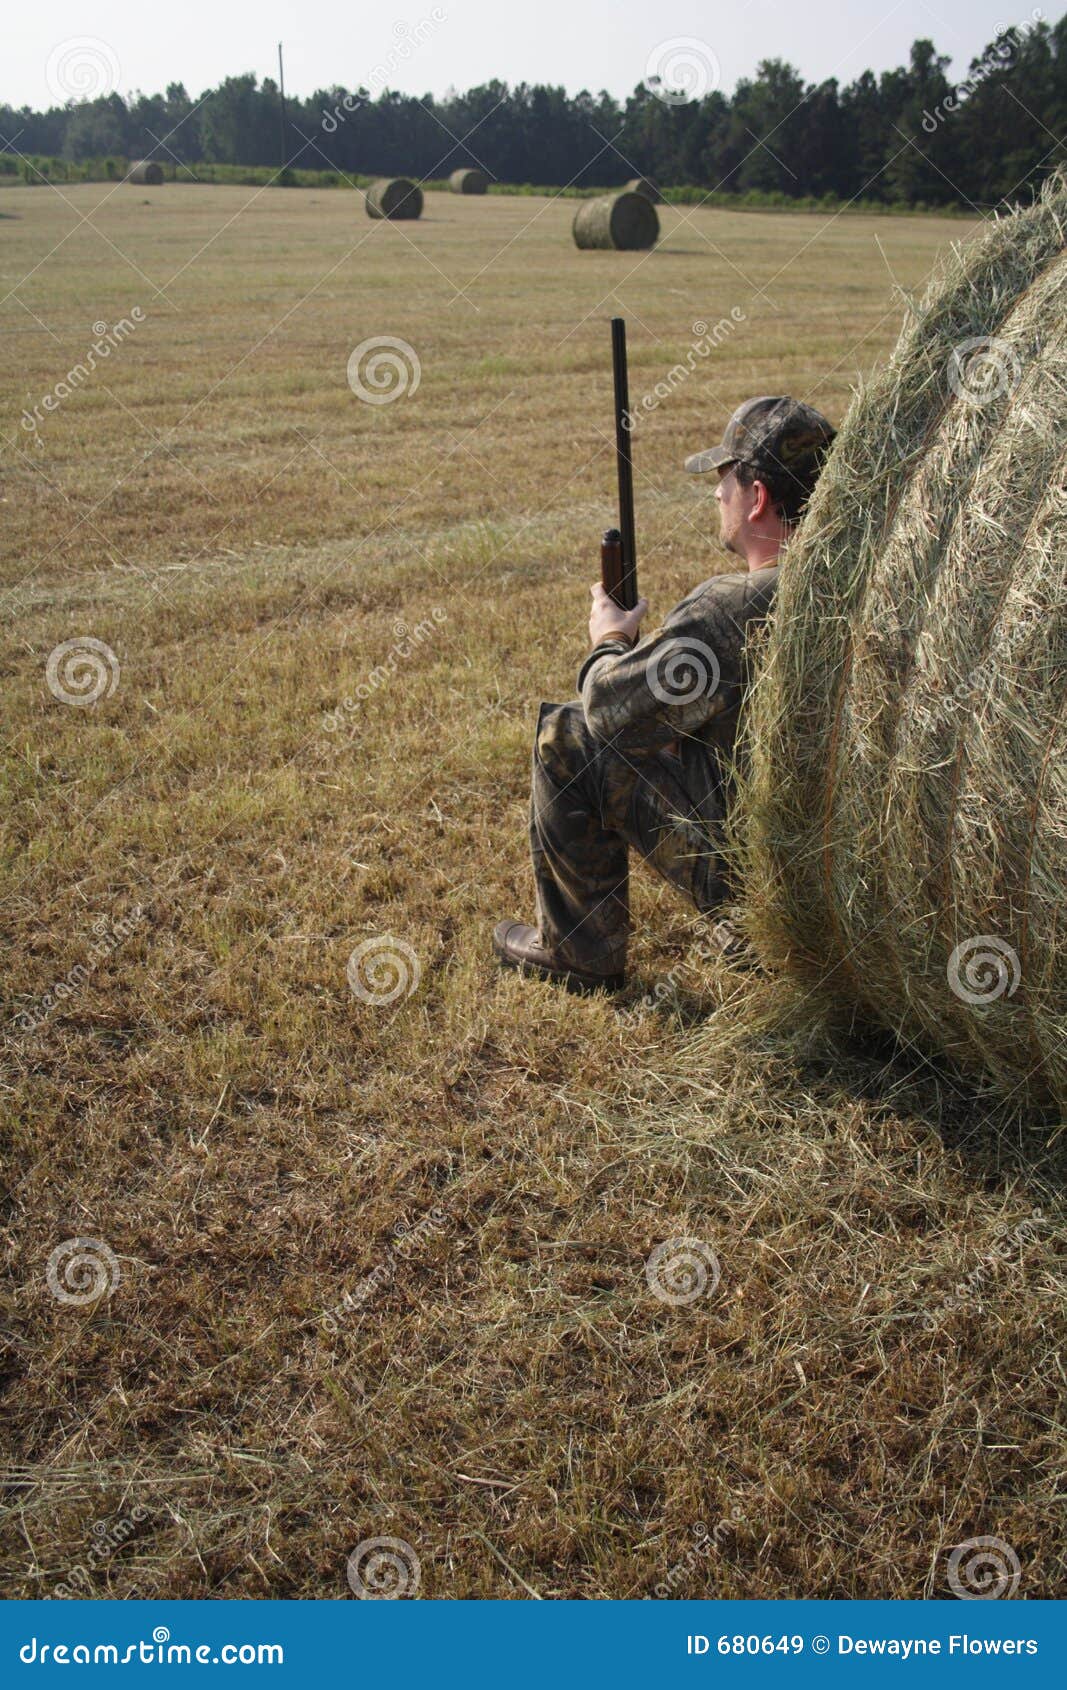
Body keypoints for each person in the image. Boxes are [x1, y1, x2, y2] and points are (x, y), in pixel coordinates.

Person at [492, 394, 836, 993]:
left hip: (766, 896)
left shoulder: (734, 608)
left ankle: (580, 955)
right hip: (838, 892)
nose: (716, 494)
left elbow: (607, 710)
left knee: (568, 736)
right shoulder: (860, 581)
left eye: (726, 479)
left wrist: (610, 641)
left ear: (757, 498)